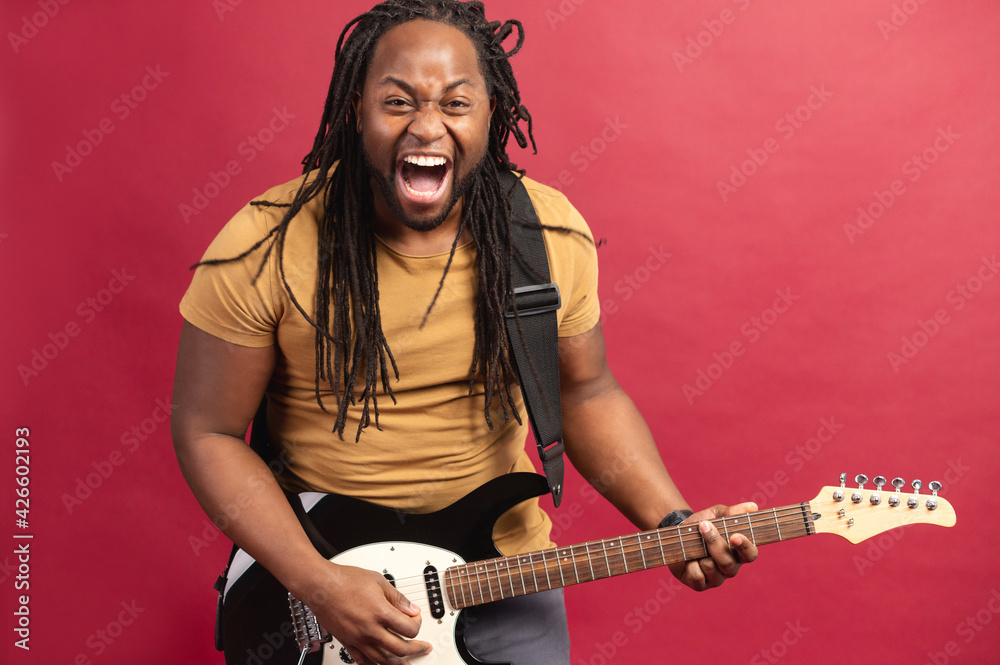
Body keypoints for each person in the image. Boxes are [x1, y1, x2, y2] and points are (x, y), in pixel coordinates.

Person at [171, 2, 758, 664]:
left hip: (502, 574)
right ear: (356, 110)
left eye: (456, 102)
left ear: (491, 114)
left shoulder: (544, 235)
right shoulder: (266, 241)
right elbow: (207, 431)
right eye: (397, 102)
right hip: (319, 582)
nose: (428, 126)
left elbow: (585, 392)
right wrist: (318, 581)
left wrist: (674, 523)